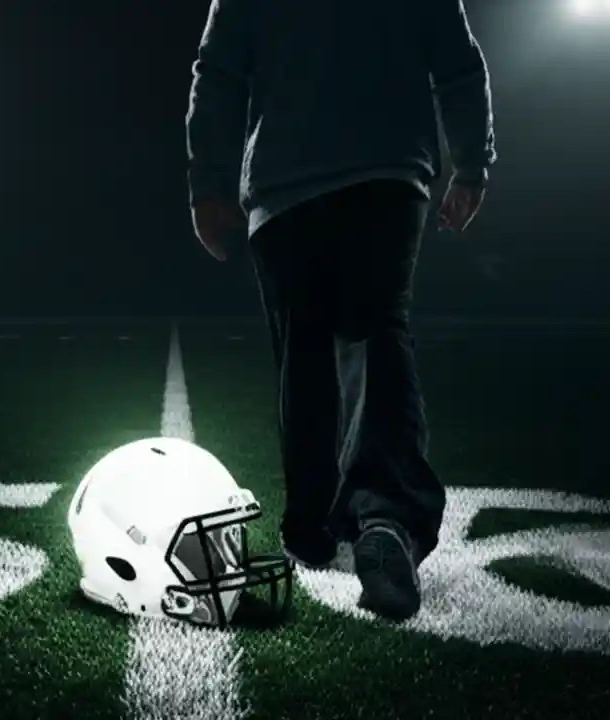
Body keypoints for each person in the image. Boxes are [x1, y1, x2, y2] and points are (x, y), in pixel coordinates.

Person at [185, 0, 496, 621]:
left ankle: (311, 523)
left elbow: (218, 70)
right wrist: (471, 160)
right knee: (375, 332)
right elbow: (456, 57)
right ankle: (383, 517)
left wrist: (208, 186)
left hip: (286, 182)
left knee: (303, 354)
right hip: (385, 168)